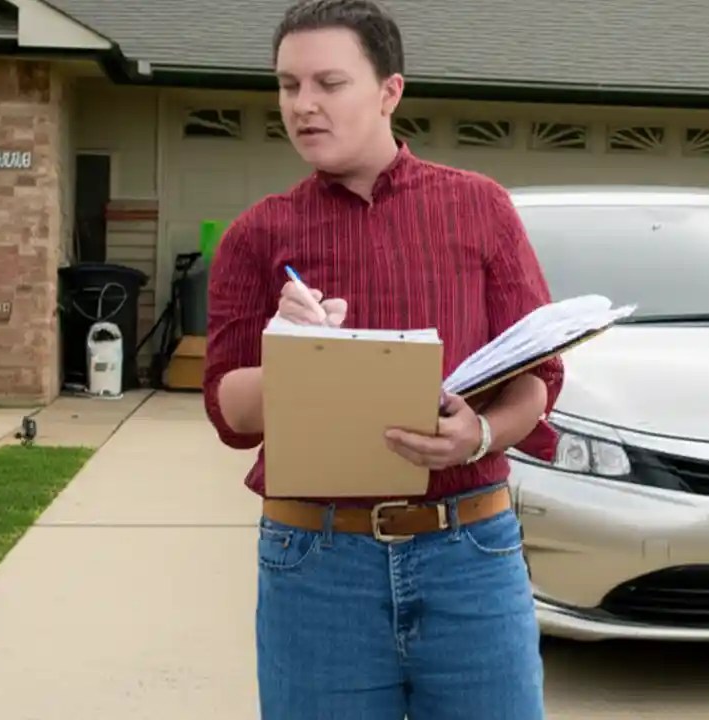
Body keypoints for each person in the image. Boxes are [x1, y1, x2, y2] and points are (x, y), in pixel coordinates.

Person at [201, 1, 564, 717]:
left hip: (470, 552)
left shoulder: (480, 208)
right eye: (288, 85)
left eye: (329, 83)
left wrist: (480, 434)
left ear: (389, 91)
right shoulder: (257, 233)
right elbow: (229, 409)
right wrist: (291, 356)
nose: (302, 105)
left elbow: (539, 375)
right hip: (316, 564)